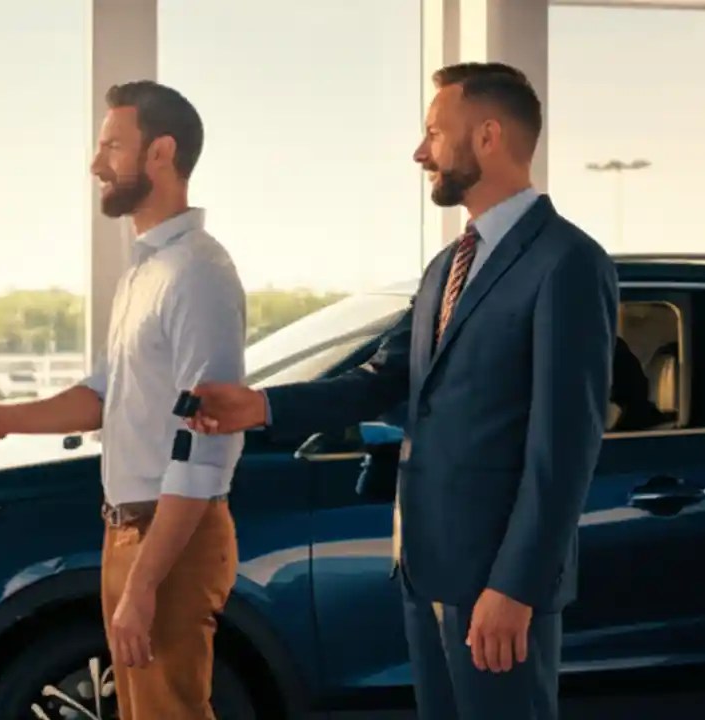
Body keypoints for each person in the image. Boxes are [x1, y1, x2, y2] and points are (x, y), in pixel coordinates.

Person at [185, 63, 618, 720]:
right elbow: (381, 379)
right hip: (425, 568)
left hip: (494, 580)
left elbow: (565, 446)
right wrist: (263, 406)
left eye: (435, 132)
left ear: (488, 137)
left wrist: (516, 586)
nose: (420, 152)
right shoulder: (448, 264)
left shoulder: (568, 262)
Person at [0, 81, 245, 719]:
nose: (96, 164)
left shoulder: (199, 273)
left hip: (172, 537)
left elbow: (209, 444)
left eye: (113, 145)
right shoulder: (145, 270)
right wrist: (3, 419)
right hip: (127, 532)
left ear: (161, 153)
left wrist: (144, 581)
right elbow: (101, 397)